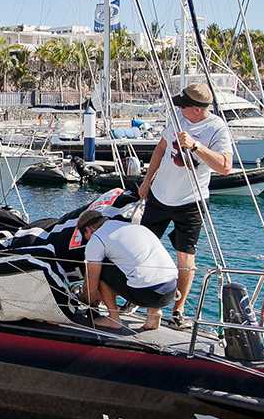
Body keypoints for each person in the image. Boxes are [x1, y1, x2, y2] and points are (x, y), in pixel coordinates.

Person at [136, 82, 234, 328]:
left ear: (197, 109)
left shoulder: (217, 128)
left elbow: (225, 166)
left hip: (191, 201)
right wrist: (147, 181)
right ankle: (138, 298)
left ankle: (177, 311)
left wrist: (195, 146)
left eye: (184, 106)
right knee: (142, 248)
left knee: (185, 259)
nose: (179, 109)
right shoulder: (177, 119)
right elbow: (161, 149)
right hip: (159, 196)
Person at [77, 209, 179, 332]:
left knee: (100, 271)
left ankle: (114, 319)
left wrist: (85, 299)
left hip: (147, 294)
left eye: (84, 236)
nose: (86, 240)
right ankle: (153, 314)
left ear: (88, 229)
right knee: (144, 265)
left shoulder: (97, 238)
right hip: (171, 291)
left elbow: (91, 282)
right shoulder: (132, 227)